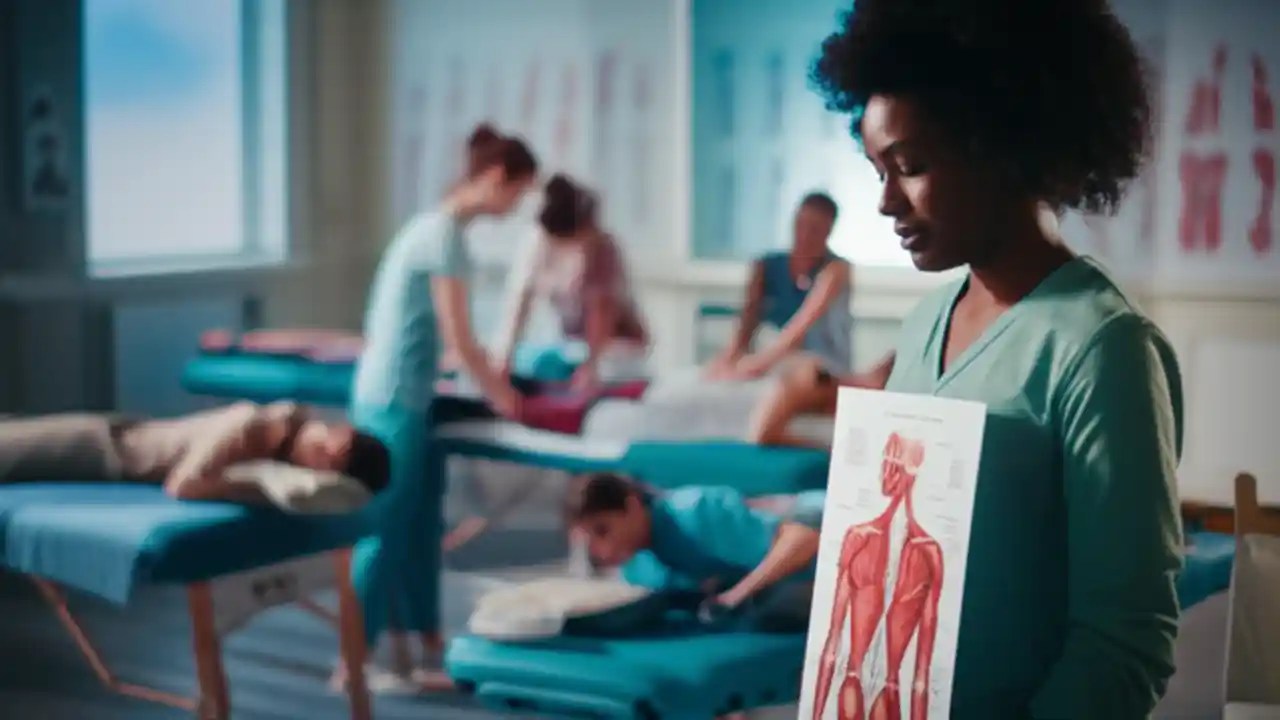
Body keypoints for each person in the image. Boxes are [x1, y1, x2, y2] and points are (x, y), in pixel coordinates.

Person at [807, 0, 1183, 716]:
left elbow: (1124, 643)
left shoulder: (1102, 350)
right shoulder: (924, 324)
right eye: (876, 170)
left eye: (910, 166)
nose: (886, 202)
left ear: (1002, 143)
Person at [343, 132, 539, 690]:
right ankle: (351, 662)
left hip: (411, 397)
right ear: (497, 176)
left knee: (421, 524)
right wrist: (504, 398)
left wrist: (478, 371)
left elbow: (444, 340)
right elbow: (461, 334)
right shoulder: (444, 235)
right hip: (392, 402)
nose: (517, 208)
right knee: (383, 527)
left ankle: (427, 645)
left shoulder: (432, 230)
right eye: (519, 194)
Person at [566, 473, 824, 633]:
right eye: (591, 542)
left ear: (632, 505)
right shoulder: (640, 567)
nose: (601, 551)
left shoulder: (694, 513)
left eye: (603, 530)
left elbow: (805, 537)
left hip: (832, 524)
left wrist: (736, 596)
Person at [0, 402, 391, 502]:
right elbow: (183, 485)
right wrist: (255, 489)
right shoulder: (249, 424)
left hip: (110, 448)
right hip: (96, 446)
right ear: (337, 450)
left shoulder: (279, 441)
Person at [494, 174, 649, 393]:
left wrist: (591, 366)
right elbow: (519, 303)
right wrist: (504, 357)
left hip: (617, 348)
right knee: (534, 364)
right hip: (572, 346)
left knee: (601, 374)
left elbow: (601, 310)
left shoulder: (602, 248)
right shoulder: (536, 245)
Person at [704, 192, 852, 382]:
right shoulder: (766, 266)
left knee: (802, 371)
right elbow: (746, 324)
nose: (804, 236)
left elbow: (799, 328)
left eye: (814, 230)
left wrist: (757, 365)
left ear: (828, 232)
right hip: (775, 358)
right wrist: (729, 358)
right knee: (717, 370)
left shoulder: (836, 270)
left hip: (821, 363)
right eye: (800, 225)